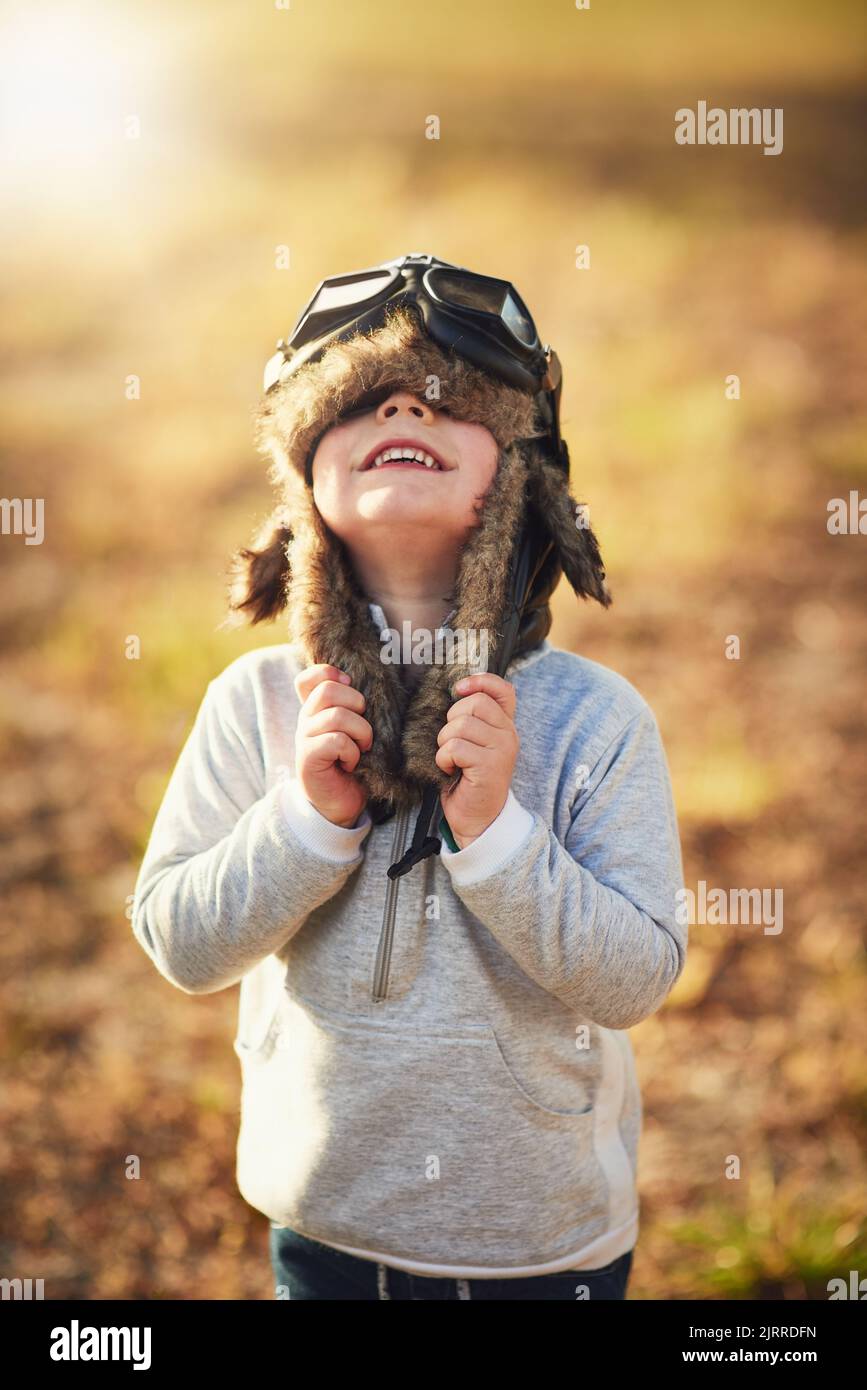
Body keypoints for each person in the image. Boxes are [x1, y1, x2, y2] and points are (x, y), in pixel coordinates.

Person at [131, 254, 686, 1301]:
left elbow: (638, 977)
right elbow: (179, 942)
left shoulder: (596, 721)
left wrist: (502, 838)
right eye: (358, 398)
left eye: (448, 397)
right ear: (300, 479)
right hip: (326, 1229)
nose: (404, 400)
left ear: (525, 471)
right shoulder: (255, 707)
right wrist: (303, 823)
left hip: (544, 1248)